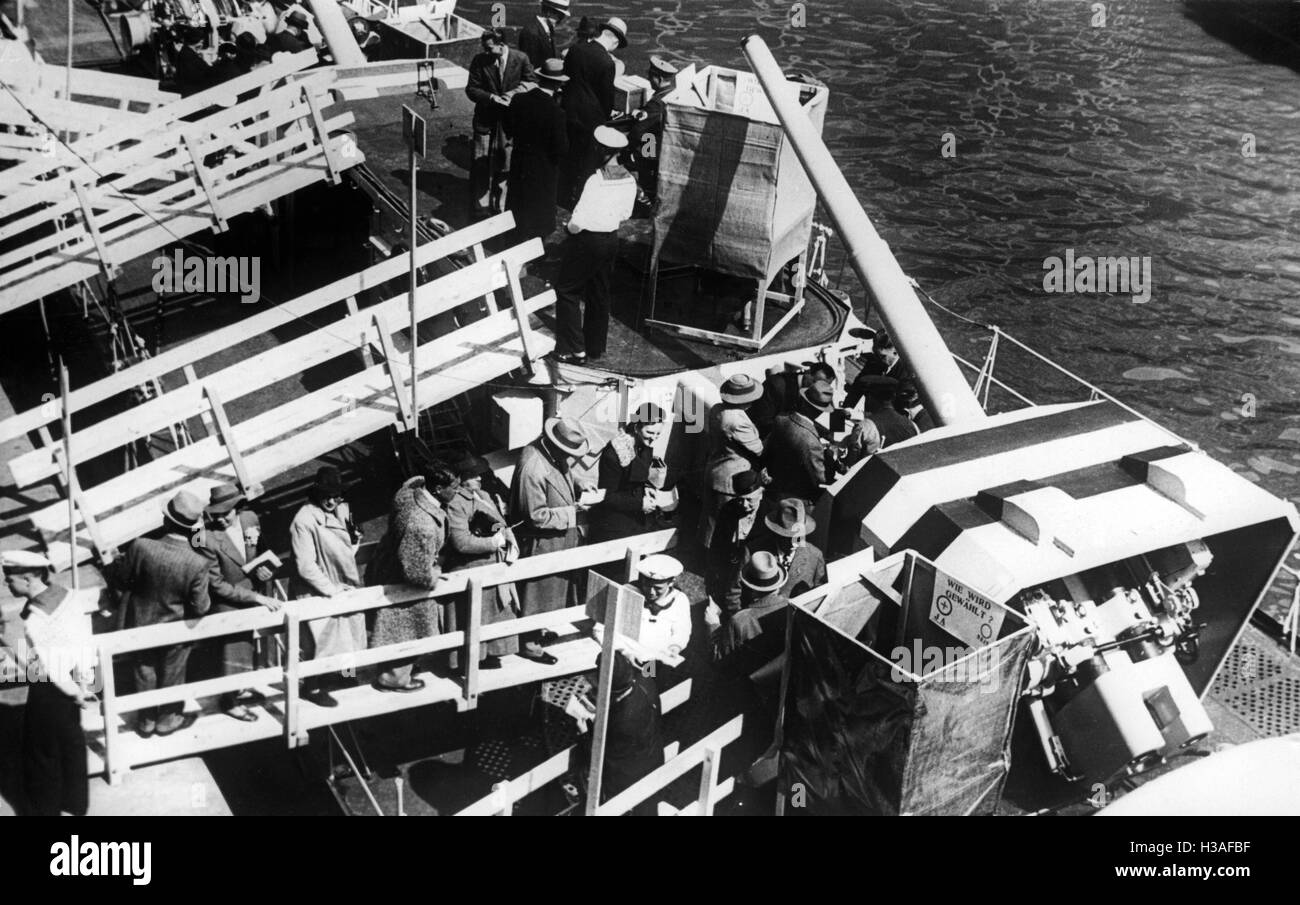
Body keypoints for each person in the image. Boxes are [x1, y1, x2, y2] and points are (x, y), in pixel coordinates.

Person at [108, 490, 211, 736]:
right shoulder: (197, 562)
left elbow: (122, 578)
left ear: (166, 520)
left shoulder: (141, 546)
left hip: (140, 621)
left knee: (143, 671)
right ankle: (167, 720)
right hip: (175, 628)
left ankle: (146, 721)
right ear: (192, 528)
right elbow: (201, 606)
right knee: (173, 673)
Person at [1, 551, 93, 817]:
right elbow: (84, 641)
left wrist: (73, 692)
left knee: (41, 752)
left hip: (52, 688)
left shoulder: (35, 621)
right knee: (72, 742)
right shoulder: (68, 595)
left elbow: (51, 667)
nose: (6, 584)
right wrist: (86, 685)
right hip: (77, 677)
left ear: (28, 579)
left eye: (9, 579)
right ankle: (76, 805)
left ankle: (46, 810)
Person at [509, 416, 594, 664]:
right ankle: (529, 643)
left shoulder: (550, 451)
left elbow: (562, 474)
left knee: (552, 591)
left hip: (557, 541)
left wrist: (581, 485)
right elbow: (535, 516)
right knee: (537, 593)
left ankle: (538, 630)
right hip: (541, 543)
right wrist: (574, 513)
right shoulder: (532, 466)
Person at [367, 466, 458, 691]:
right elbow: (416, 572)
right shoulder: (421, 524)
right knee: (410, 627)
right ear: (438, 489)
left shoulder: (409, 495)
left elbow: (411, 483)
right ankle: (394, 678)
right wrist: (434, 574)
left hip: (385, 568)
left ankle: (394, 669)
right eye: (454, 487)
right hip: (402, 583)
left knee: (392, 629)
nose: (457, 491)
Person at [553, 124, 637, 363]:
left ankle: (572, 349)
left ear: (604, 151)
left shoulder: (595, 180)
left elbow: (579, 219)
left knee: (567, 290)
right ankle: (595, 346)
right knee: (599, 291)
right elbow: (626, 213)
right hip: (611, 239)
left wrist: (569, 228)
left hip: (588, 240)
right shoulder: (629, 180)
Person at [201, 483, 280, 722]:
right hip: (228, 601)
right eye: (215, 515)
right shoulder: (207, 538)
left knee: (251, 646)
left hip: (255, 591)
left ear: (237, 508)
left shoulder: (250, 518)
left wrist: (266, 571)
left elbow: (261, 550)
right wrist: (256, 597)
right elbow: (217, 585)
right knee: (233, 648)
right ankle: (229, 700)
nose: (221, 520)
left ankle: (243, 686)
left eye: (225, 514)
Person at [289, 466, 367, 707]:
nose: (332, 500)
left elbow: (346, 539)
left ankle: (345, 677)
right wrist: (332, 590)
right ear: (316, 493)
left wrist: (355, 539)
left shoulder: (342, 509)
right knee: (319, 641)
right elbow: (305, 566)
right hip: (319, 589)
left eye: (337, 495)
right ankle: (312, 687)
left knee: (348, 636)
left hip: (344, 581)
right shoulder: (303, 520)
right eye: (327, 495)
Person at [445, 456, 519, 668]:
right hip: (473, 566)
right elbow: (460, 542)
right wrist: (492, 543)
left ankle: (489, 653)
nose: (479, 477)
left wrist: (506, 536)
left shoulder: (483, 494)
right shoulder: (456, 503)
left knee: (493, 614)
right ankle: (469, 660)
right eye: (472, 475)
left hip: (493, 564)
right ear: (461, 479)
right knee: (474, 616)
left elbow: (497, 522)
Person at [466, 28, 535, 216]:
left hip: (508, 123)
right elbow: (471, 89)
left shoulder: (521, 59)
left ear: (502, 45)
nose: (486, 52)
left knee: (505, 164)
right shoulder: (479, 61)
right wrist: (491, 98)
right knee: (480, 163)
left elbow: (531, 82)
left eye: (489, 48)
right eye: (484, 48)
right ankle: (481, 207)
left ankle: (500, 205)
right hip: (485, 121)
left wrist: (512, 95)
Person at [560, 16, 625, 202]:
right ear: (614, 40)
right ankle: (579, 198)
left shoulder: (575, 49)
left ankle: (563, 193)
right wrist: (604, 118)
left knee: (569, 156)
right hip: (591, 120)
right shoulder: (607, 62)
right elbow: (606, 98)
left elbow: (566, 79)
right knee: (586, 162)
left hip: (569, 110)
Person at [506, 58, 569, 245]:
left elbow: (509, 128)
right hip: (544, 168)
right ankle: (535, 250)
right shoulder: (556, 113)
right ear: (558, 84)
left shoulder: (519, 100)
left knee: (519, 205)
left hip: (520, 162)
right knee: (539, 211)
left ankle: (514, 241)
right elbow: (561, 148)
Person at [700, 374, 765, 547]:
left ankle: (706, 557)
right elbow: (758, 450)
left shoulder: (717, 409)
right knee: (728, 526)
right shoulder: (737, 421)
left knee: (712, 522)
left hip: (715, 471)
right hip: (732, 480)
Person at [593, 554, 690, 670]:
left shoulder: (679, 599)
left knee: (654, 681)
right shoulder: (626, 593)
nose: (651, 592)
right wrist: (624, 652)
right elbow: (600, 629)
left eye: (658, 588)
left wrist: (675, 647)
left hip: (658, 657)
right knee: (630, 681)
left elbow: (682, 630)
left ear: (671, 582)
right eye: (646, 585)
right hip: (624, 655)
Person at [592, 402, 672, 541]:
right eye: (650, 432)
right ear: (636, 428)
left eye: (658, 434)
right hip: (615, 526)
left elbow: (638, 477)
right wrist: (640, 504)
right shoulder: (614, 453)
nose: (653, 438)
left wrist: (646, 488)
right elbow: (607, 496)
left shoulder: (642, 445)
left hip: (635, 521)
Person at [597, 649, 662, 814]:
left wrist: (585, 731)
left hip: (628, 775)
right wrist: (642, 656)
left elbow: (603, 754)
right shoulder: (646, 683)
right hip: (653, 760)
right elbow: (650, 669)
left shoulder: (622, 721)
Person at [762, 378, 833, 509]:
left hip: (772, 489)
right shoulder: (811, 443)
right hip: (795, 501)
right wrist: (829, 458)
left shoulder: (781, 418)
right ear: (820, 411)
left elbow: (766, 450)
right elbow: (819, 480)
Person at [703, 468, 764, 618]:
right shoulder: (729, 509)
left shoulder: (770, 514)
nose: (744, 505)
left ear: (761, 493)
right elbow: (717, 548)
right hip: (729, 575)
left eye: (749, 500)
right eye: (740, 499)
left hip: (755, 578)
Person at [744, 498, 828, 599]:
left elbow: (819, 594)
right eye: (789, 537)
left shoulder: (815, 556)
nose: (795, 543)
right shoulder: (754, 550)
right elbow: (735, 589)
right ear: (777, 532)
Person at [629, 55, 678, 199]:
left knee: (644, 170)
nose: (649, 79)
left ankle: (646, 195)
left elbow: (639, 132)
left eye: (651, 76)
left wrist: (628, 147)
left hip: (651, 145)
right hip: (663, 141)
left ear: (660, 79)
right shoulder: (671, 92)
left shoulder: (656, 102)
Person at [861, 375, 921, 447]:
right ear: (893, 397)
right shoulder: (913, 426)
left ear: (870, 397)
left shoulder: (865, 426)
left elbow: (852, 456)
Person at [518, 0, 569, 69]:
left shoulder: (548, 28)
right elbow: (529, 66)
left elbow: (548, 52)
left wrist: (561, 54)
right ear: (549, 12)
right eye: (560, 16)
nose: (560, 21)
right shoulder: (531, 33)